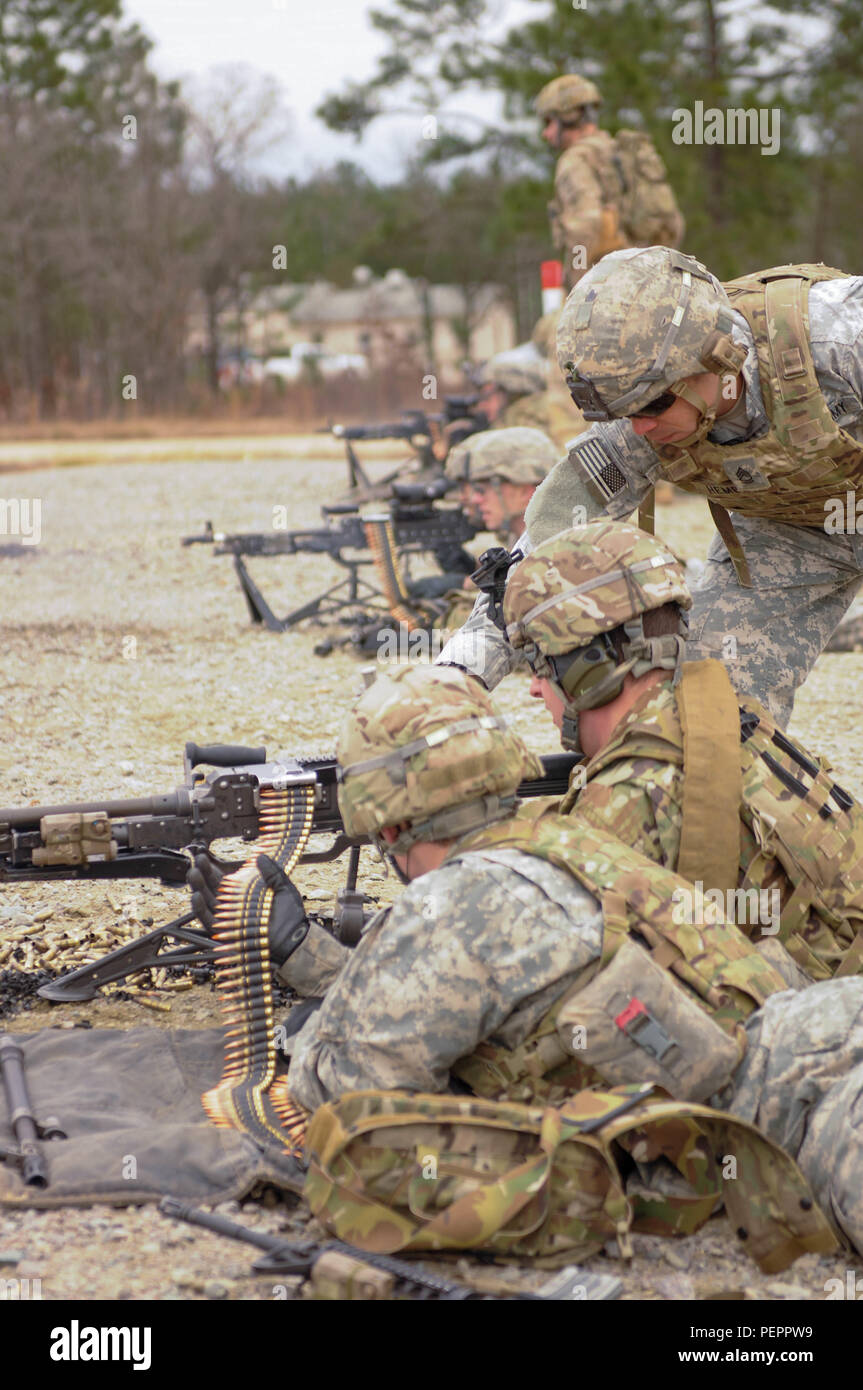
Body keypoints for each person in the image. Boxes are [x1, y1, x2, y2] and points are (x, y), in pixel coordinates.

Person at [189, 665, 863, 1254]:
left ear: (386, 827)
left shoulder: (450, 906)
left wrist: (314, 1022)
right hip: (823, 1026)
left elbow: (347, 1094)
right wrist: (307, 956)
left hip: (806, 1117)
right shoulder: (575, 838)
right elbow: (490, 982)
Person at [438, 246, 863, 728]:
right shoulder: (635, 426)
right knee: (707, 712)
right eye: (623, 412)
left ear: (715, 358)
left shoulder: (840, 338)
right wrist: (454, 682)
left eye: (653, 405)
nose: (639, 427)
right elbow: (538, 557)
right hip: (791, 534)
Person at [502, 519, 863, 981]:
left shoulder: (632, 795)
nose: (534, 687)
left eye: (539, 663)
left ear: (586, 667)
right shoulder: (727, 717)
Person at [535, 75, 684, 292]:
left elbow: (583, 228)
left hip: (610, 289)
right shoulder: (619, 152)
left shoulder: (575, 161)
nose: (545, 133)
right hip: (651, 280)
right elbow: (672, 223)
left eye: (549, 122)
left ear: (568, 117)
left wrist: (578, 286)